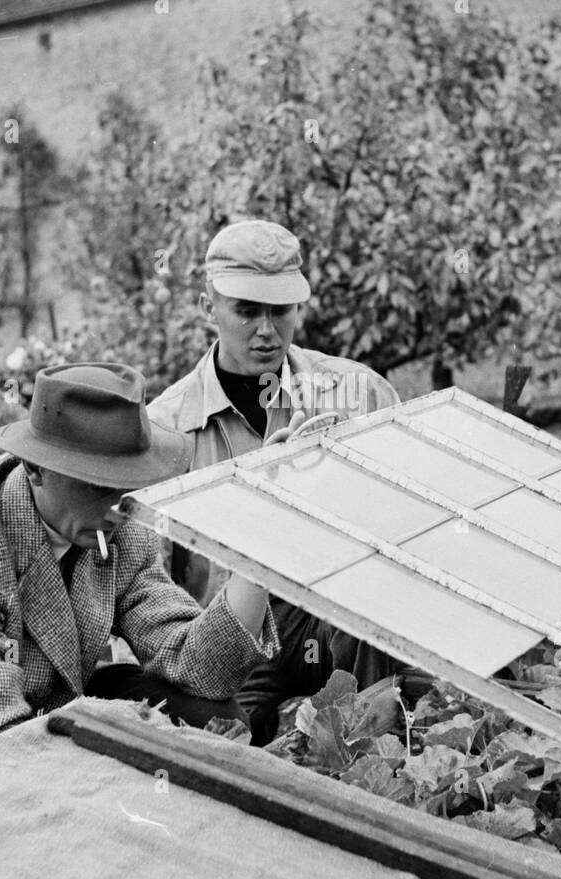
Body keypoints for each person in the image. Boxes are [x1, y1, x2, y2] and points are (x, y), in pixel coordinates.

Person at [0, 362, 290, 795]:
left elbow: (204, 669)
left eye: (128, 484)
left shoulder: (118, 529)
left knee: (215, 717)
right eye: (96, 485)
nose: (118, 508)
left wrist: (264, 536)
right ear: (34, 469)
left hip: (40, 714)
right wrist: (124, 740)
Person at [147, 219, 405, 743]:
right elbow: (148, 585)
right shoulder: (168, 428)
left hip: (335, 616)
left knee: (369, 672)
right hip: (237, 631)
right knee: (234, 737)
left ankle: (377, 776)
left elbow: (413, 520)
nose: (267, 330)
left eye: (281, 310)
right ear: (207, 308)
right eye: (246, 310)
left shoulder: (357, 395)